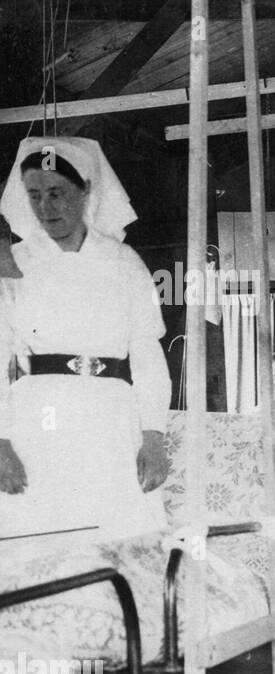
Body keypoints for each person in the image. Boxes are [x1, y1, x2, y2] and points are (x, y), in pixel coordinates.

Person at [0, 137, 171, 554]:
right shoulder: (12, 263)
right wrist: (1, 441)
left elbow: (148, 354)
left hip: (110, 418)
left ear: (86, 190)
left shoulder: (124, 262)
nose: (46, 208)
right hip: (37, 421)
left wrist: (153, 435)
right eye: (35, 196)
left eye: (57, 193)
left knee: (117, 539)